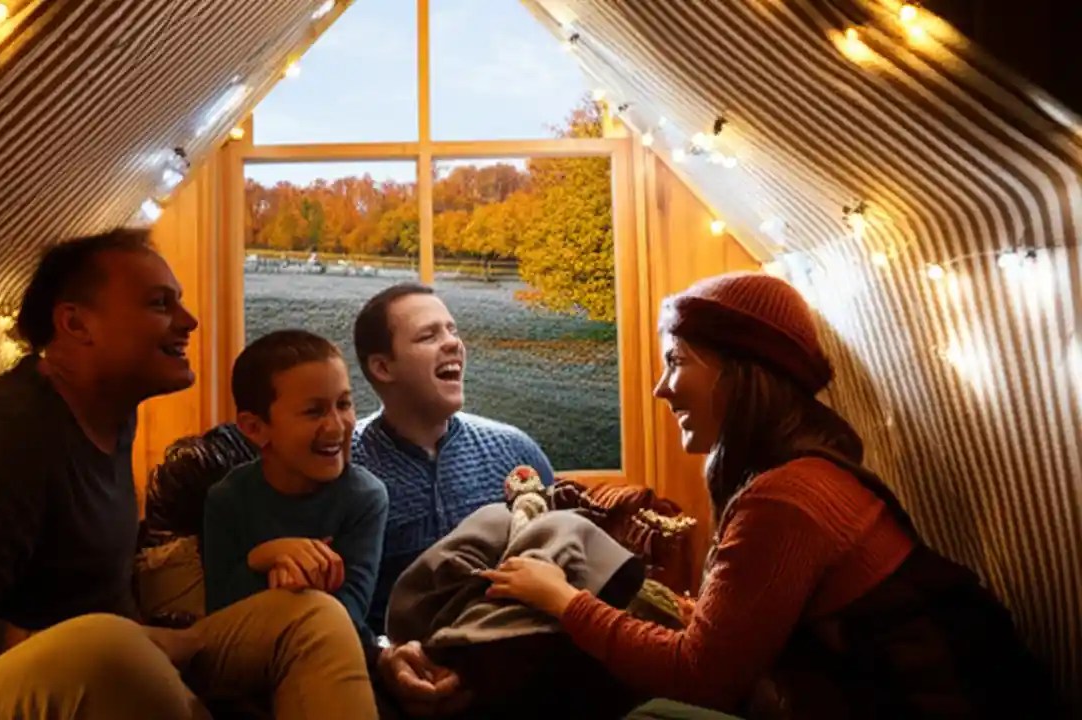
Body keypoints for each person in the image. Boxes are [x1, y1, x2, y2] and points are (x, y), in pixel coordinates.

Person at [0, 230, 376, 720]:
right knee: (109, 645)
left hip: (121, 660)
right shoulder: (14, 434)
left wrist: (153, 639)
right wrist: (110, 646)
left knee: (312, 619)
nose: (188, 321)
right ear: (75, 323)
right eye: (159, 303)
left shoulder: (111, 416)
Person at [476, 272, 1059, 718]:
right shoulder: (796, 474)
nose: (660, 387)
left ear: (742, 373)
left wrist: (563, 601)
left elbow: (702, 678)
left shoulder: (785, 499)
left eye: (676, 362)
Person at [350, 282, 556, 716]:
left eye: (453, 330)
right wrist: (383, 658)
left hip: (517, 665)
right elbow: (334, 606)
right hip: (395, 679)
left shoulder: (514, 450)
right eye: (429, 336)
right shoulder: (345, 467)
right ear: (382, 367)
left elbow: (563, 561)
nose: (453, 344)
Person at [202, 329, 389, 641]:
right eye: (314, 411)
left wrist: (292, 591)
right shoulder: (227, 500)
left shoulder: (365, 498)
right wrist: (263, 557)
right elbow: (220, 617)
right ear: (255, 427)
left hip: (334, 647)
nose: (336, 425)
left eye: (343, 404)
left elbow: (350, 613)